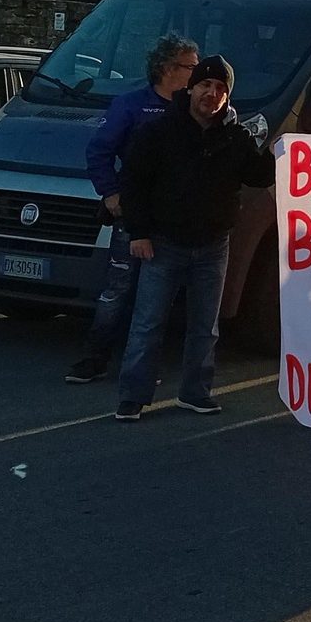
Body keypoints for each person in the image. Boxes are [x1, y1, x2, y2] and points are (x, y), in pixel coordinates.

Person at [113, 56, 275, 421]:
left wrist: (286, 150)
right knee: (147, 324)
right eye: (206, 85)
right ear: (191, 88)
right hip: (162, 244)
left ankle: (196, 392)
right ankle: (133, 396)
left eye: (221, 89)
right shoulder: (156, 133)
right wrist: (137, 232)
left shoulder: (235, 139)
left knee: (205, 326)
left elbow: (261, 175)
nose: (212, 94)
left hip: (213, 246)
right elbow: (133, 184)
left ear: (228, 97)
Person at [65, 36, 200, 384]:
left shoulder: (193, 109)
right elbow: (99, 151)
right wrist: (110, 194)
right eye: (192, 66)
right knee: (118, 288)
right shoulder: (131, 105)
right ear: (169, 69)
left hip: (174, 219)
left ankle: (142, 366)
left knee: (156, 298)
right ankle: (93, 358)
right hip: (134, 216)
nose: (198, 73)